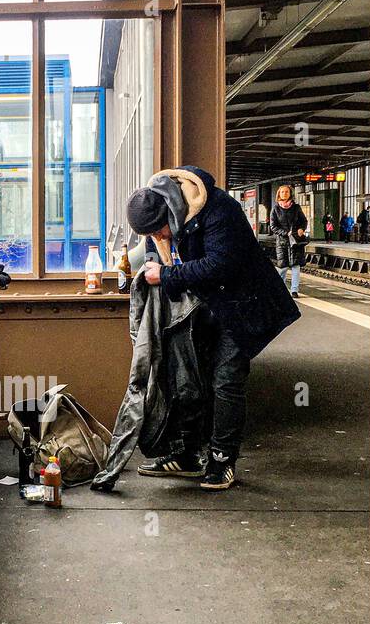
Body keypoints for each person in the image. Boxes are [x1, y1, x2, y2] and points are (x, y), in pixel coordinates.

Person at [124, 166, 299, 491]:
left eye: (159, 231)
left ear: (171, 212)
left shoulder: (219, 210)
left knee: (226, 380)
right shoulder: (163, 219)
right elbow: (157, 252)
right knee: (192, 377)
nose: (158, 239)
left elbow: (222, 265)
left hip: (242, 305)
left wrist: (167, 276)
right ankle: (189, 455)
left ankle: (222, 461)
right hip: (205, 307)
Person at [269, 184, 307, 298]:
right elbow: (273, 226)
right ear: (279, 194)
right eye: (282, 192)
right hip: (282, 242)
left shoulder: (296, 207)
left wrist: (301, 229)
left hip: (296, 241)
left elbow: (303, 221)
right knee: (283, 267)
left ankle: (294, 290)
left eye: (286, 192)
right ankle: (281, 288)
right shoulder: (275, 209)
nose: (284, 194)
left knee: (296, 266)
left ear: (290, 193)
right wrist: (285, 233)